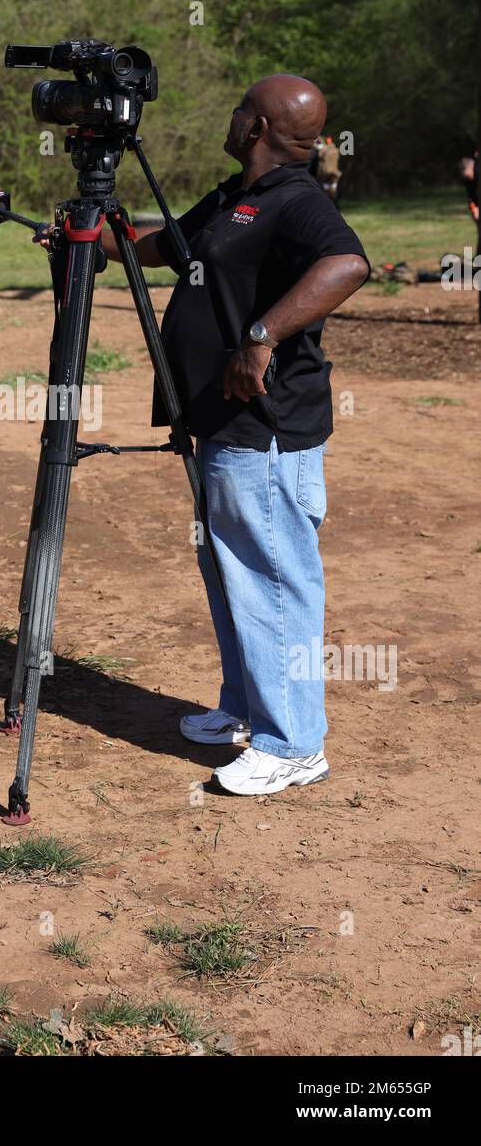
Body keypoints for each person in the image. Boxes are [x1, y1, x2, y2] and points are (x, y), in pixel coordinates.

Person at [99, 74, 370, 795]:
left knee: (272, 575)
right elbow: (179, 245)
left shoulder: (298, 201)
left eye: (240, 107)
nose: (231, 113)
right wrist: (100, 243)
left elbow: (348, 264)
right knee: (233, 571)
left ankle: (293, 745)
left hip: (266, 427)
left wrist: (261, 336)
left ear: (255, 126)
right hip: (223, 423)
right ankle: (249, 708)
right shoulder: (238, 196)